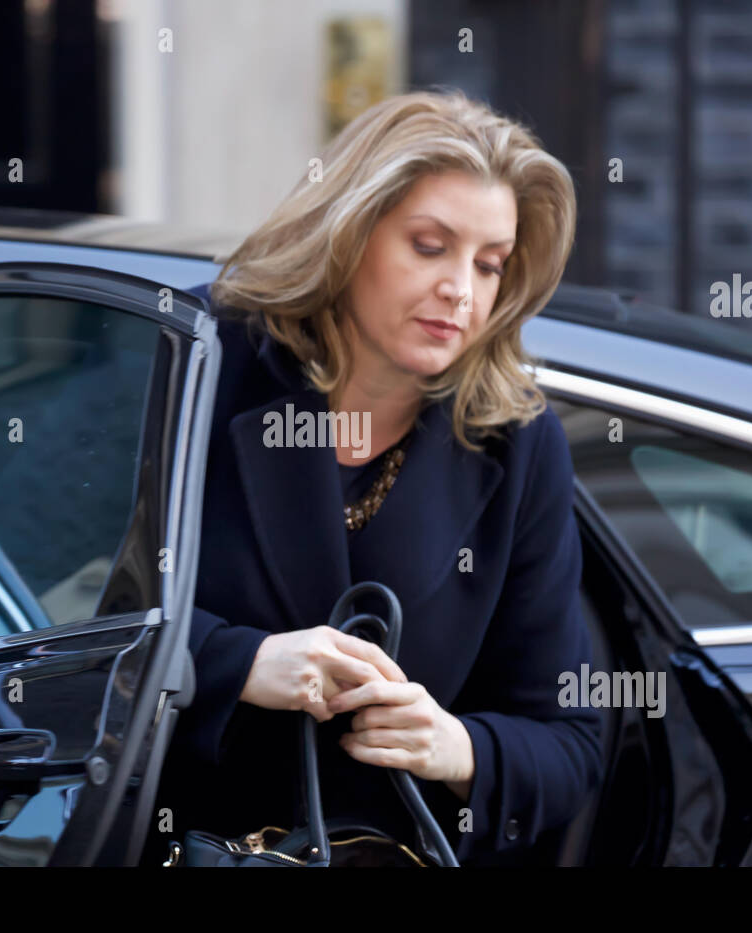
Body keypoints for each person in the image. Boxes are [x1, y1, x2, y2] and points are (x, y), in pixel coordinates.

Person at [144, 88, 604, 866]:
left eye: (489, 265)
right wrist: (238, 663)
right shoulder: (193, 361)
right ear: (351, 235)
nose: (462, 289)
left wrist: (456, 745)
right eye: (430, 246)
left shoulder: (515, 441)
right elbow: (43, 617)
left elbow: (569, 741)